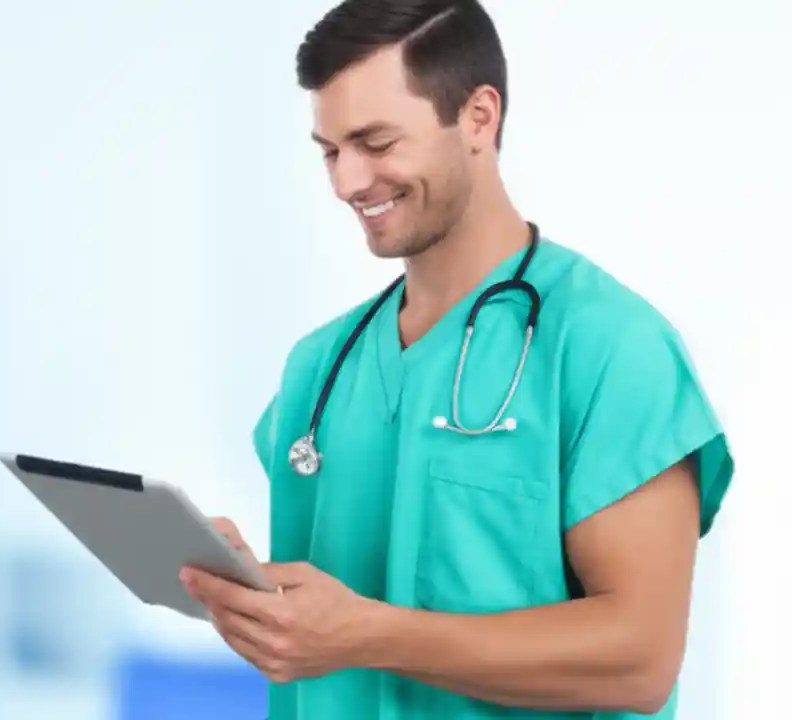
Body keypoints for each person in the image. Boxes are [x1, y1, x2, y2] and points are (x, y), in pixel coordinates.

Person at [176, 1, 734, 719]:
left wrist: (369, 636)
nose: (347, 182)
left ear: (478, 116)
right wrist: (253, 597)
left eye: (376, 142)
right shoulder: (319, 369)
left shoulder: (609, 350)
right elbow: (328, 624)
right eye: (329, 149)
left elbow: (640, 658)